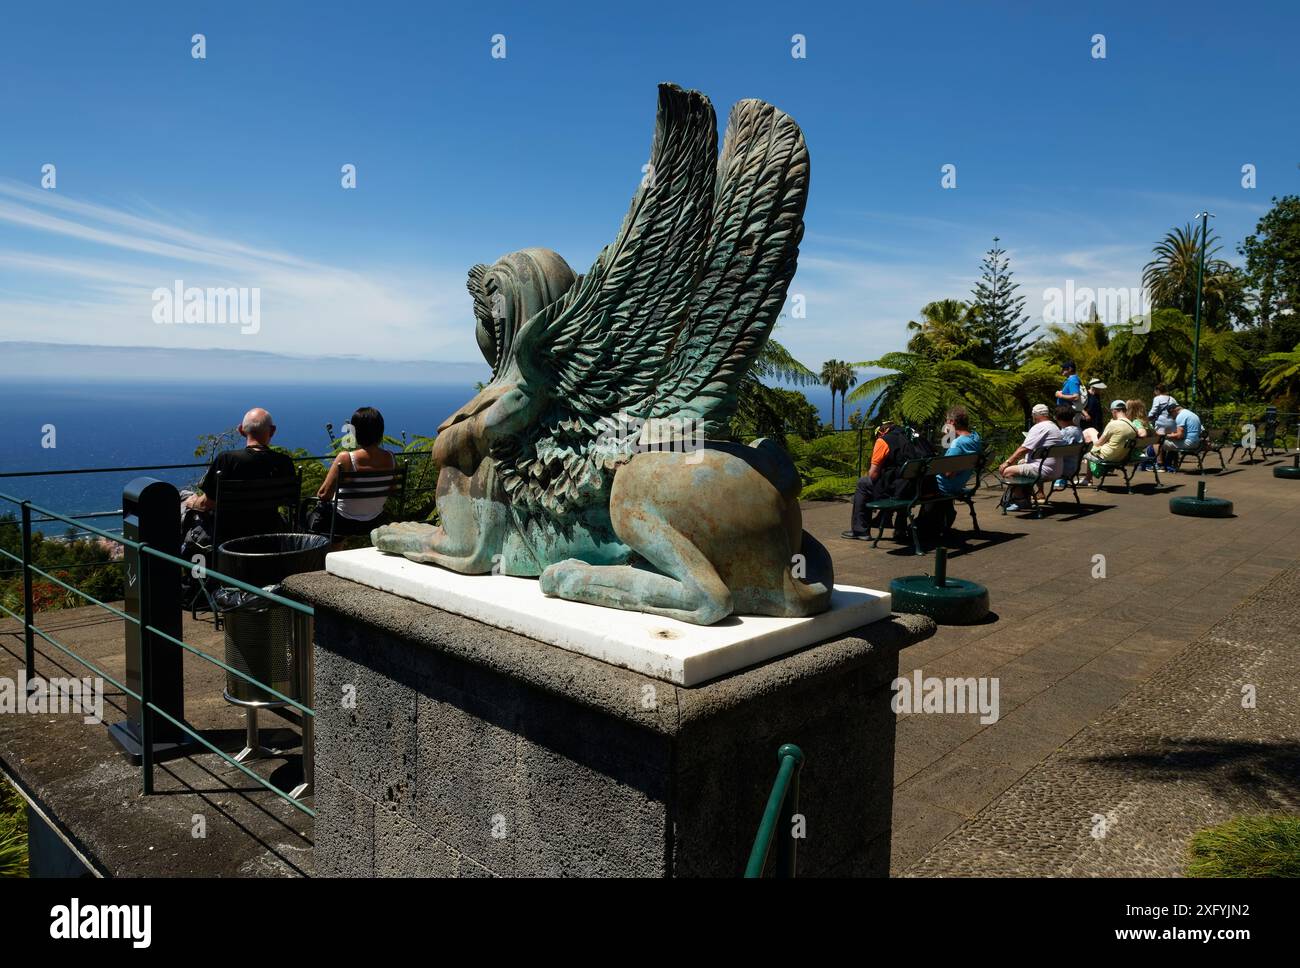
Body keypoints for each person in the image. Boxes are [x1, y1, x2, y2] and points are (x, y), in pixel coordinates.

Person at [184, 407, 296, 539]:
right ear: (272, 431)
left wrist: (190, 502)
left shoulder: (227, 460)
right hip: (270, 534)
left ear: (241, 430)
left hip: (229, 538)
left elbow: (207, 503)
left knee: (184, 498)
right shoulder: (284, 462)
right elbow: (291, 501)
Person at [306, 407, 397, 541]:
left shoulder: (346, 458)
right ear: (380, 431)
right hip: (375, 521)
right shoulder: (391, 458)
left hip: (342, 523)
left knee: (309, 515)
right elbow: (392, 489)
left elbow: (324, 494)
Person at [997, 404, 1062, 511]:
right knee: (1022, 464)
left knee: (1007, 471)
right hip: (1057, 469)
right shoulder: (1054, 427)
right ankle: (1024, 497)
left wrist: (1007, 462)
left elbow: (1024, 448)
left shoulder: (1039, 427)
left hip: (1044, 470)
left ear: (1035, 416)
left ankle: (1020, 500)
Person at [933, 407, 982, 531]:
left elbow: (948, 473)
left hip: (944, 486)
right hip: (959, 483)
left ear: (952, 423)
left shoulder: (957, 444)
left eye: (946, 422)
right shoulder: (975, 438)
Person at [1083, 400, 1138, 483]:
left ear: (1115, 411)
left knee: (1089, 433)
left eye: (1112, 411)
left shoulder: (1113, 424)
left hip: (1106, 456)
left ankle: (1087, 479)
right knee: (1090, 431)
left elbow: (1098, 443)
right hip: (1121, 457)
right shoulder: (1133, 426)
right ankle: (1087, 479)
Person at [1161, 401, 1202, 471]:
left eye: (1171, 415)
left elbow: (1179, 436)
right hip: (1197, 443)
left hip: (1189, 443)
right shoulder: (1191, 414)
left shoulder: (1180, 416)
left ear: (1173, 411)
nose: (1172, 417)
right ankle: (1171, 465)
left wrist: (1166, 435)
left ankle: (1160, 465)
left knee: (1161, 443)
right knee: (1171, 443)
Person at [1052, 404, 1084, 489]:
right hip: (1074, 467)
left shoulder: (1066, 432)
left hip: (1064, 469)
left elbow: (1056, 450)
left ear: (1059, 419)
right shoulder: (1078, 430)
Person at [1148, 384, 1178, 470]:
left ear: (1157, 391)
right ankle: (1174, 464)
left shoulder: (1157, 398)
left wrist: (1147, 418)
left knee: (1157, 442)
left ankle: (1160, 464)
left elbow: (1153, 411)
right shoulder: (1172, 398)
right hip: (1172, 423)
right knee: (1172, 440)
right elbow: (1177, 409)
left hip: (1162, 423)